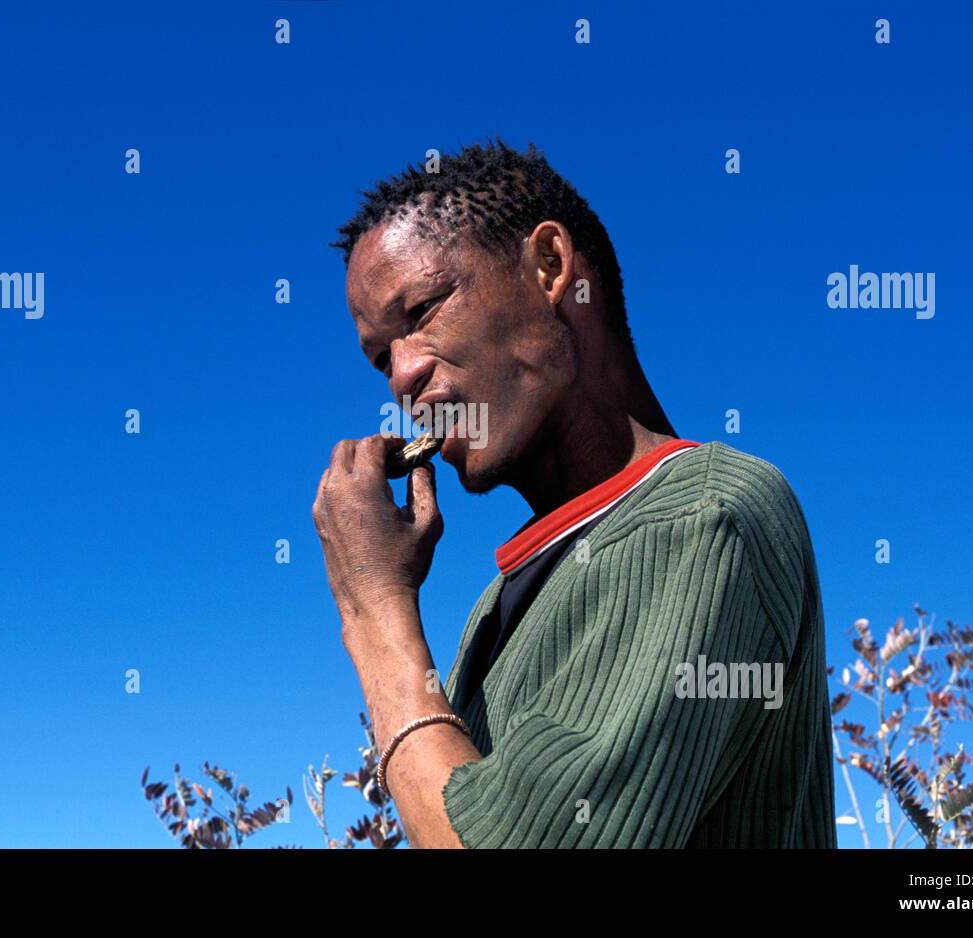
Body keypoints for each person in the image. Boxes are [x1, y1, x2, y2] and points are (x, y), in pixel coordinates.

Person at [312, 137, 835, 848]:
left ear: (550, 267)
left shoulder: (704, 514)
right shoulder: (494, 613)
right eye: (380, 359)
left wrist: (373, 613)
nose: (401, 376)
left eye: (423, 310)